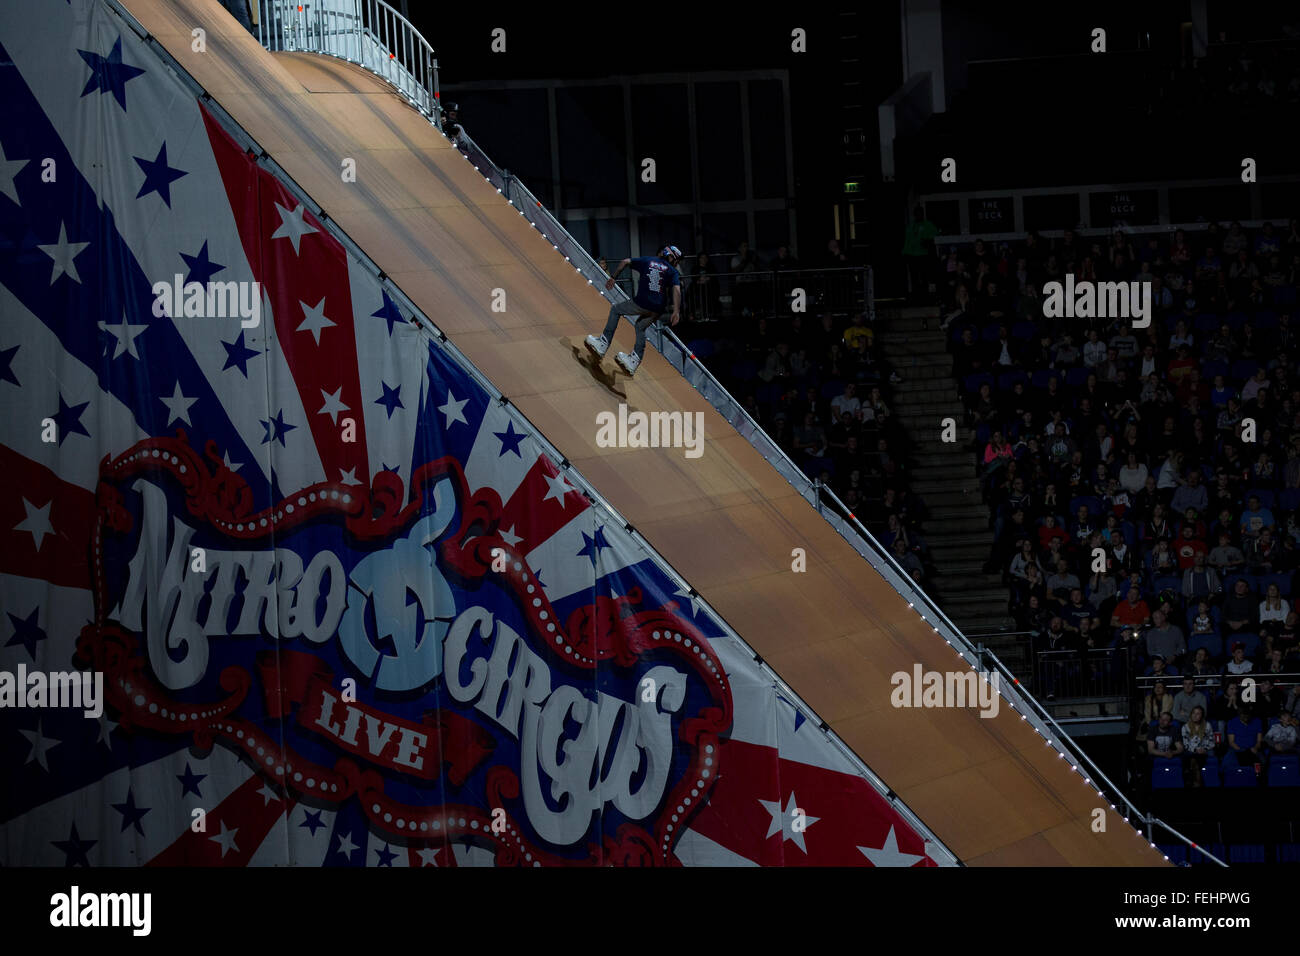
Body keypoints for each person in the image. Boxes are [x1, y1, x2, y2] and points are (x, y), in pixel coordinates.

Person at [586, 245, 683, 375]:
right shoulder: (672, 271)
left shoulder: (648, 260)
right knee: (640, 327)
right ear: (671, 257)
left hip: (642, 302)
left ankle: (603, 343)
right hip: (658, 309)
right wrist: (676, 311)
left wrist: (613, 277)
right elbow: (677, 290)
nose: (676, 264)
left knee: (616, 310)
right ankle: (634, 360)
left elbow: (625, 261)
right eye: (676, 261)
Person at [1181, 706, 1213, 786]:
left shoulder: (1207, 725)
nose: (1195, 715)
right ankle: (1197, 781)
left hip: (1204, 750)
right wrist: (1195, 750)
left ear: (1202, 716)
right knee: (1192, 757)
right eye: (1193, 713)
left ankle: (1194, 781)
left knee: (1198, 758)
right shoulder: (1185, 727)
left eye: (1198, 714)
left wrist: (1204, 749)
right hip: (1190, 750)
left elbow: (1211, 741)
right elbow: (1186, 744)